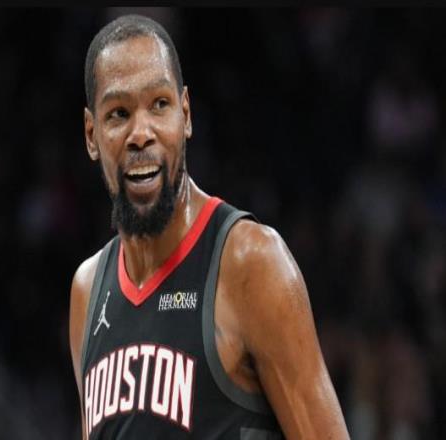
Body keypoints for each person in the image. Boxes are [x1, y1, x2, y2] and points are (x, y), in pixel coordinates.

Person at [69, 14, 350, 440]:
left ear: (185, 115)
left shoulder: (250, 262)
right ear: (92, 135)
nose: (141, 133)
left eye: (159, 105)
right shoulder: (87, 292)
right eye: (119, 113)